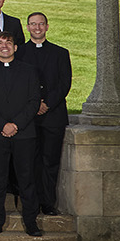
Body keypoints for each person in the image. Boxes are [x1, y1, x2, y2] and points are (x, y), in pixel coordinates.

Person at [0, 32, 44, 236]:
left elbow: (34, 101)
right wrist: (2, 125)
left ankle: (31, 223)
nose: (4, 46)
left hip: (24, 133)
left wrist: (16, 124)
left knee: (26, 180)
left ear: (15, 47)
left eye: (8, 43)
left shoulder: (29, 71)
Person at [19, 12, 71, 216]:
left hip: (53, 116)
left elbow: (64, 83)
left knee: (50, 161)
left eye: (41, 24)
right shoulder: (20, 52)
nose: (37, 28)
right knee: (29, 162)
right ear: (27, 27)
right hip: (28, 118)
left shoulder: (60, 53)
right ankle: (30, 203)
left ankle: (48, 203)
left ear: (47, 27)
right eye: (33, 24)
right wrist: (35, 105)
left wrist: (46, 103)